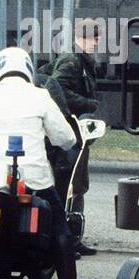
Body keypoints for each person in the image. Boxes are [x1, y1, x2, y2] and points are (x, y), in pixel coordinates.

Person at [0, 47, 91, 279]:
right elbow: (65, 137)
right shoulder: (40, 96)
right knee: (60, 227)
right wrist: (64, 143)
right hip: (32, 177)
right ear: (27, 69)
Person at [49, 22, 101, 256]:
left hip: (79, 133)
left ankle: (73, 238)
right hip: (69, 134)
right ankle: (65, 241)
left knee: (78, 185)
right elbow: (56, 89)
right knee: (69, 187)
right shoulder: (72, 61)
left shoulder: (83, 61)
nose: (97, 42)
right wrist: (87, 104)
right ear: (82, 37)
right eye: (93, 38)